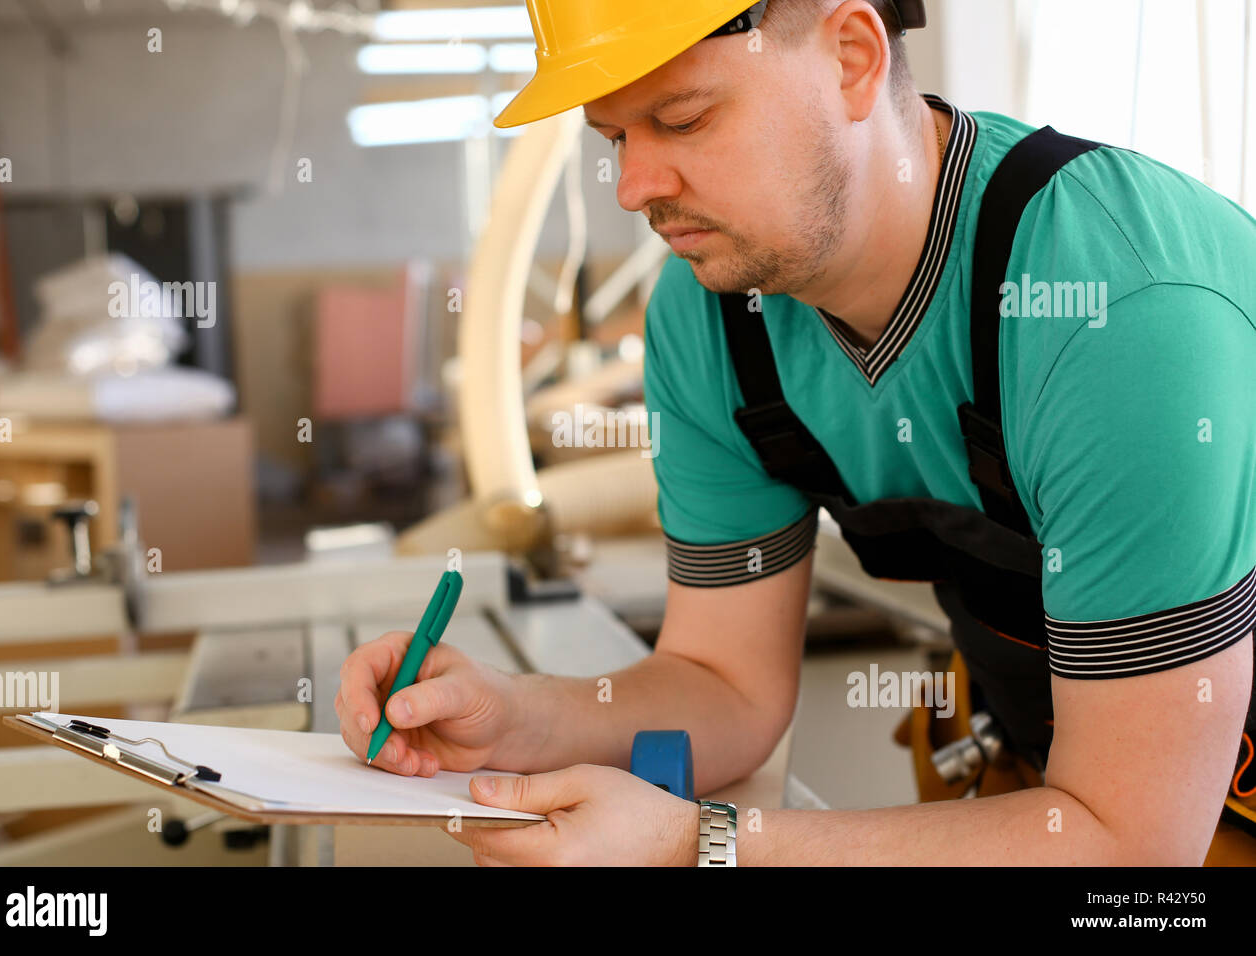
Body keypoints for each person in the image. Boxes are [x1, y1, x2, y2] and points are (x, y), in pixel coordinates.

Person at [334, 0, 1256, 865]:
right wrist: (517, 716)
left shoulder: (1117, 310)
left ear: (852, 59)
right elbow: (725, 681)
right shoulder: (714, 326)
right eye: (614, 138)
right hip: (1071, 786)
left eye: (684, 119)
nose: (633, 188)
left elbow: (1133, 852)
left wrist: (703, 842)